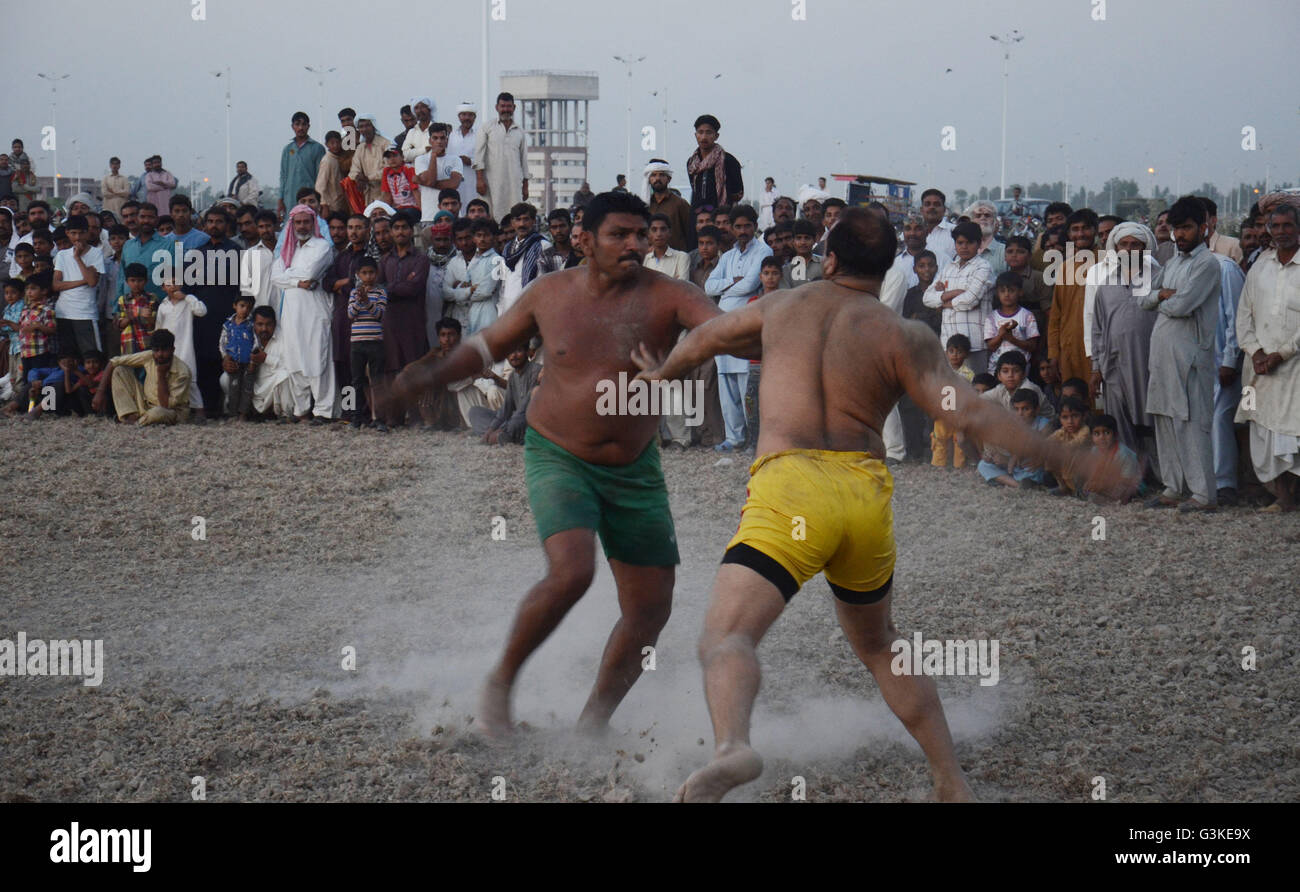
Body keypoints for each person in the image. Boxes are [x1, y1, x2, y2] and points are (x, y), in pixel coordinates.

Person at [629, 206, 1132, 802]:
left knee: (727, 639)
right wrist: (1072, 459)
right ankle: (950, 781)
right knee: (879, 644)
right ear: (889, 264)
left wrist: (662, 374)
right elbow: (970, 414)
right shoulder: (905, 336)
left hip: (789, 490)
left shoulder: (781, 307)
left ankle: (734, 748)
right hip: (863, 494)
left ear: (830, 258)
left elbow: (706, 339)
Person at [389, 191, 722, 737]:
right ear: (583, 240)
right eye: (620, 234)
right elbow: (489, 343)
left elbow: (721, 330)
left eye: (642, 235)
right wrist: (426, 376)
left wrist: (680, 363)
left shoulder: (671, 295)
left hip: (636, 465)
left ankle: (593, 722)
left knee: (650, 609)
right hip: (559, 453)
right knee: (573, 571)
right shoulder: (549, 293)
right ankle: (500, 682)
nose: (636, 245)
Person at [1141, 196, 1222, 512]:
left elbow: (1181, 305)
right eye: (1176, 229)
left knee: (1191, 422)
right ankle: (1173, 488)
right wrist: (1162, 294)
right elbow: (1143, 300)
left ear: (1203, 228)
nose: (1180, 235)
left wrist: (1161, 299)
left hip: (1190, 355)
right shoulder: (1172, 263)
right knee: (1163, 417)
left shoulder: (1207, 264)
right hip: (1161, 352)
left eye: (1187, 228)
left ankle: (1203, 495)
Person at [1234, 200, 1300, 512]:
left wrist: (1282, 353)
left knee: (1292, 433)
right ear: (1269, 230)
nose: (1282, 231)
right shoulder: (1261, 264)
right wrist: (1256, 351)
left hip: (1294, 367)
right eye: (1277, 226)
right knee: (1264, 430)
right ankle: (1282, 498)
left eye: (1289, 225)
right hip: (1259, 367)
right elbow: (1243, 313)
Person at [1085, 224, 1160, 469]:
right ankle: (1129, 476)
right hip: (1114, 364)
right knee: (1120, 420)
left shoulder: (1159, 278)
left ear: (1144, 247)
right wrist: (1096, 367)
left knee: (1153, 421)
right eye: (1123, 245)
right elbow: (1097, 328)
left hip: (1150, 363)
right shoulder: (1106, 285)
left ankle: (1160, 475)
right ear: (1115, 248)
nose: (1129, 250)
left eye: (1135, 244)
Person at [705, 205, 771, 451]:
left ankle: (754, 439)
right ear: (731, 228)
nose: (743, 231)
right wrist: (731, 283)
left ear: (755, 226)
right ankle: (734, 438)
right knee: (726, 381)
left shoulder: (764, 250)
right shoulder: (727, 256)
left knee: (747, 385)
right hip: (723, 323)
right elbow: (708, 286)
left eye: (747, 226)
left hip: (747, 323)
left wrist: (726, 285)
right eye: (738, 226)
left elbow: (750, 285)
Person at [271, 203, 336, 423]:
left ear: (313, 223)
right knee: (295, 358)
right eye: (297, 222)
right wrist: (298, 282)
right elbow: (275, 277)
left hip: (315, 311)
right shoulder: (289, 250)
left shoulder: (322, 247)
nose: (302, 226)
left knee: (318, 358)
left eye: (306, 221)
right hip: (291, 312)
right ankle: (302, 410)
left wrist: (291, 277)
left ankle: (323, 411)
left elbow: (311, 273)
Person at [923, 220, 993, 374]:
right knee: (951, 391)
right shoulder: (949, 268)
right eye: (960, 242)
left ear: (979, 243)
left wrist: (942, 301)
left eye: (969, 242)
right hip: (948, 344)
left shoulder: (983, 267)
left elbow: (970, 300)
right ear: (955, 244)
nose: (964, 247)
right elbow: (927, 298)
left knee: (974, 390)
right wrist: (954, 293)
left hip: (974, 344)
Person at [93, 328, 192, 426]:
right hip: (146, 404)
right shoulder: (150, 356)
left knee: (158, 413)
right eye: (156, 350)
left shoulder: (182, 372)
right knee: (119, 371)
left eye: (164, 350)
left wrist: (161, 375)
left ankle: (136, 423)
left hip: (171, 412)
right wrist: (100, 392)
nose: (160, 354)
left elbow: (165, 405)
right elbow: (114, 362)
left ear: (173, 350)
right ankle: (131, 416)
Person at [1047, 209, 1099, 386]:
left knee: (1099, 405)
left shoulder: (1108, 264)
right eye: (1075, 229)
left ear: (1095, 231)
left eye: (1085, 228)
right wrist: (1053, 354)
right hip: (1069, 349)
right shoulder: (1065, 268)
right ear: (1068, 234)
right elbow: (1056, 316)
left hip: (1098, 349)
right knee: (1074, 403)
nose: (1080, 234)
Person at [51, 215, 105, 359]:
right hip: (63, 312)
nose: (77, 237)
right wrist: (82, 282)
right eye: (73, 233)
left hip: (85, 313)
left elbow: (92, 281)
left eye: (81, 233)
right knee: (68, 357)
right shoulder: (62, 255)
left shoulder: (96, 253)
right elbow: (56, 285)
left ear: (87, 233)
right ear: (67, 233)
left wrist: (78, 258)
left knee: (92, 357)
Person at [154, 274, 208, 416]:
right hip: (168, 350)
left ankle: (199, 411)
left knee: (190, 378)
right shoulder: (163, 306)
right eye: (169, 284)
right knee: (168, 378)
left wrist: (187, 298)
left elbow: (202, 311)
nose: (173, 286)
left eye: (176, 283)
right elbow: (158, 327)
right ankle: (172, 410)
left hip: (185, 347)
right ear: (163, 288)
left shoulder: (188, 302)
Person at [467, 344, 541, 444]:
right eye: (510, 352)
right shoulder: (512, 377)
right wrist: (490, 431)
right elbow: (506, 409)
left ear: (527, 351)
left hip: (529, 419)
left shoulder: (536, 371)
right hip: (513, 420)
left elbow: (525, 409)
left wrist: (502, 428)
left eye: (518, 350)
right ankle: (499, 435)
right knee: (474, 412)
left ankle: (503, 435)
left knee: (516, 423)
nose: (513, 355)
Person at [978, 388, 1052, 488]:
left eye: (1026, 409)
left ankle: (1010, 481)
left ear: (1036, 409)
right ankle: (1017, 484)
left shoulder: (1043, 424)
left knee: (1034, 471)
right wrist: (994, 457)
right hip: (1013, 465)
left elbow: (1045, 448)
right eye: (1016, 409)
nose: (1020, 414)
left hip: (1031, 465)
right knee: (983, 465)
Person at [347, 255, 389, 432]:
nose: (368, 276)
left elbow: (379, 314)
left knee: (377, 381)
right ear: (358, 274)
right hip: (357, 343)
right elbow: (350, 315)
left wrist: (367, 302)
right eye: (364, 273)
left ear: (377, 274)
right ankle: (355, 417)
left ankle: (379, 418)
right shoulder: (353, 293)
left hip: (375, 342)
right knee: (356, 381)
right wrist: (359, 300)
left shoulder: (380, 292)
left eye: (371, 273)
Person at [473, 92, 529, 216]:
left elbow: (523, 160)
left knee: (515, 213)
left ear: (514, 108)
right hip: (492, 181)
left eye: (509, 106)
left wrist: (525, 186)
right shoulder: (487, 127)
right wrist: (479, 180)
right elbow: (478, 156)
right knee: (492, 214)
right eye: (502, 106)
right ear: (497, 107)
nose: (505, 110)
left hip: (514, 181)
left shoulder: (519, 131)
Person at [930, 334, 975, 468]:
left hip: (959, 413)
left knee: (958, 439)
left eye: (959, 352)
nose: (955, 355)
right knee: (940, 438)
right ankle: (939, 463)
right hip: (942, 412)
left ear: (966, 355)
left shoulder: (969, 374)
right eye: (951, 351)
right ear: (946, 353)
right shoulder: (940, 372)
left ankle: (958, 464)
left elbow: (971, 394)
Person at [983, 270, 1039, 374]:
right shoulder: (991, 317)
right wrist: (1001, 335)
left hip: (1020, 369)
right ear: (997, 293)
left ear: (1020, 292)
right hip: (997, 368)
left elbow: (1032, 346)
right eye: (1002, 291)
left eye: (1011, 290)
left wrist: (1012, 339)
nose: (1007, 294)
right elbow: (991, 346)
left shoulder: (1027, 315)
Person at [687, 115, 743, 211]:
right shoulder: (692, 163)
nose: (704, 137)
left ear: (716, 136)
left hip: (721, 215)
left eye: (708, 132)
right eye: (700, 132)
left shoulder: (728, 160)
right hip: (698, 216)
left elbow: (737, 193)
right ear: (695, 135)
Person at [278, 113, 326, 223]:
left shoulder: (317, 148)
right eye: (297, 124)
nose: (301, 128)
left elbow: (321, 178)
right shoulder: (288, 149)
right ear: (292, 126)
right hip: (289, 198)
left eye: (304, 124)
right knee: (291, 225)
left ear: (308, 126)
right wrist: (280, 199)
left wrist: (321, 201)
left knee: (309, 224)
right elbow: (283, 176)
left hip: (309, 198)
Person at [1084, 414, 1140, 503]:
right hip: (1107, 482)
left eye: (1106, 433)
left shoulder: (1124, 455)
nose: (1102, 437)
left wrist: (1104, 485)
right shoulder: (1094, 451)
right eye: (1097, 433)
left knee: (1121, 491)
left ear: (1115, 434)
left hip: (1129, 483)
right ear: (1091, 437)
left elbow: (1128, 480)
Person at [219, 294, 257, 419]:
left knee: (247, 388)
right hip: (234, 361)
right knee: (233, 387)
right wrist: (226, 356)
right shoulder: (228, 325)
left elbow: (256, 343)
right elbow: (223, 342)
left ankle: (243, 414)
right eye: (242, 306)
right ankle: (232, 413)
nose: (245, 310)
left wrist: (252, 361)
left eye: (248, 307)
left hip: (247, 361)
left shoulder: (251, 325)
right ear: (234, 306)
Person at [1045, 396, 1093, 496]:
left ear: (1084, 416)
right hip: (1068, 470)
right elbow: (1048, 441)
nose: (1070, 421)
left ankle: (1082, 490)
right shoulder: (1062, 431)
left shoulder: (1085, 431)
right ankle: (1064, 487)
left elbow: (1075, 444)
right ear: (1060, 419)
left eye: (1075, 416)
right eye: (1065, 417)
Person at [642, 160, 693, 251]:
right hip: (650, 259)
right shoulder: (645, 205)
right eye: (654, 175)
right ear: (649, 179)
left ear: (669, 179)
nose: (657, 178)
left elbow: (690, 233)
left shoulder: (680, 204)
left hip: (675, 259)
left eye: (662, 175)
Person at [113, 263, 157, 355]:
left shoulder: (151, 299)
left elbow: (155, 323)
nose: (136, 284)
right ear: (127, 281)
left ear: (145, 281)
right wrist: (129, 318)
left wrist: (148, 317)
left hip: (147, 344)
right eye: (132, 280)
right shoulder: (122, 300)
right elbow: (118, 325)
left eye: (140, 280)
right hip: (128, 344)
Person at [447, 102, 479, 212]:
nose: (467, 118)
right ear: (459, 117)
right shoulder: (452, 135)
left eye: (470, 115)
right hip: (455, 179)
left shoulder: (479, 135)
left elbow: (486, 158)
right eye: (464, 115)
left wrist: (470, 161)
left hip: (473, 179)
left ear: (474, 117)